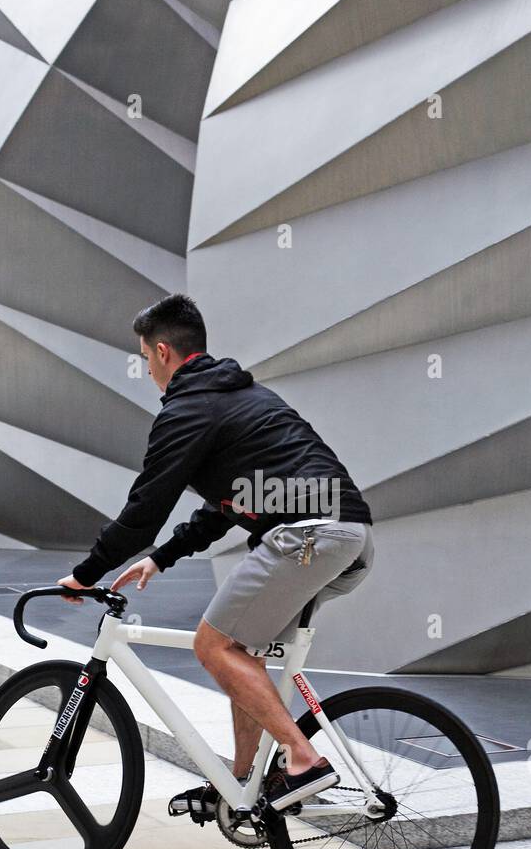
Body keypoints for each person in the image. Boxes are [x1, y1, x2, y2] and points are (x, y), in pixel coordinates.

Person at [58, 293, 373, 820]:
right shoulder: (237, 396)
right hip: (349, 533)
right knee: (240, 652)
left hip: (308, 535)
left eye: (143, 358)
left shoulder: (188, 408)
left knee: (215, 646)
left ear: (162, 352)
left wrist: (85, 573)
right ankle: (243, 780)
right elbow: (232, 502)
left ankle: (303, 760)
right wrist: (161, 558)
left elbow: (146, 505)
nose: (146, 370)